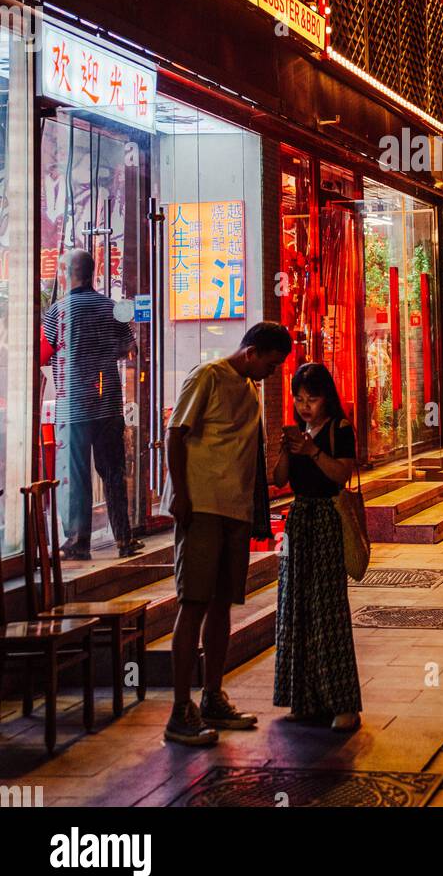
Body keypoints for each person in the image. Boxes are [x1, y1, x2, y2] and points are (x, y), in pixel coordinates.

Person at [163, 321, 292, 747]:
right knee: (194, 603)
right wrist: (180, 495)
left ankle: (213, 696)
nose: (271, 374)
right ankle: (181, 710)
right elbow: (175, 434)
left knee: (222, 606)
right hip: (201, 507)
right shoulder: (209, 376)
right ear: (252, 351)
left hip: (235, 511)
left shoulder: (249, 388)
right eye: (270, 365)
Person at [272, 363, 362, 733]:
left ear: (327, 397)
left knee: (327, 609)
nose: (305, 406)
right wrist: (284, 450)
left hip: (326, 518)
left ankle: (343, 704)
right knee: (296, 607)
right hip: (298, 521)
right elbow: (277, 480)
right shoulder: (299, 433)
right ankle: (304, 699)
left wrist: (310, 451)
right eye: (299, 399)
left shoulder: (340, 429)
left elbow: (341, 475)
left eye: (312, 398)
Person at [41, 249, 142, 561]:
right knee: (113, 471)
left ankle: (77, 541)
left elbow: (42, 354)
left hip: (74, 407)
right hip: (109, 402)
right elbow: (130, 351)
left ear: (66, 274)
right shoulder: (111, 308)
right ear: (94, 273)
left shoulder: (57, 310)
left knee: (77, 474)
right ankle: (124, 539)